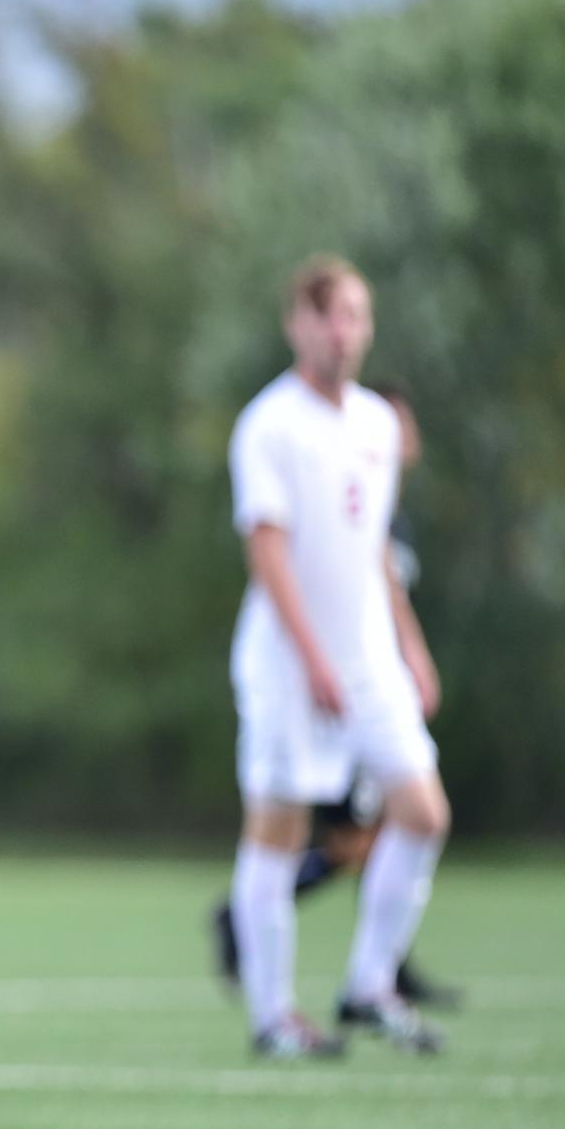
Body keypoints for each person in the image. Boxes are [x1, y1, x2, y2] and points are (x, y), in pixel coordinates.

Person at [226, 256, 454, 1061]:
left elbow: (376, 554)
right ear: (297, 325)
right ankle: (273, 1015)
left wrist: (410, 645)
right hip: (289, 662)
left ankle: (368, 984)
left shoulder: (378, 426)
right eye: (325, 314)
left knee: (423, 812)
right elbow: (270, 551)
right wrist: (314, 657)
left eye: (353, 314)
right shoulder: (269, 423)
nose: (340, 329)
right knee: (278, 829)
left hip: (367, 658)